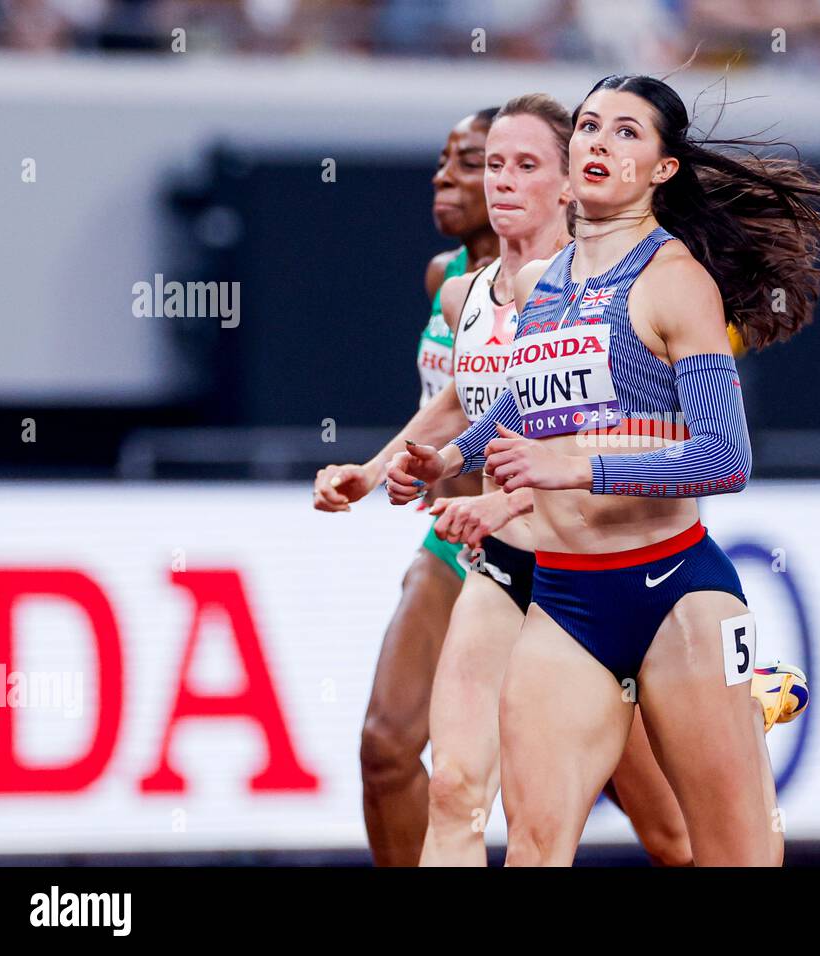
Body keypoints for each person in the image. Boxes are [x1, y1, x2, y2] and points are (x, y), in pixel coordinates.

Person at [396, 75, 820, 864]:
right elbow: (531, 404)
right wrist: (456, 459)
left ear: (663, 168)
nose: (598, 141)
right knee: (532, 846)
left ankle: (740, 700)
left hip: (674, 596)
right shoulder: (540, 283)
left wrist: (575, 469)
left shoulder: (674, 283)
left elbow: (724, 459)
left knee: (728, 853)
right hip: (562, 599)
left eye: (626, 133)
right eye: (590, 126)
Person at [311, 108, 499, 866]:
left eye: (469, 161)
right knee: (387, 748)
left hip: (557, 551)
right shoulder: (445, 278)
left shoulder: (568, 286)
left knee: (669, 830)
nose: (442, 175)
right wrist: (372, 469)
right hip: (457, 546)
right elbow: (450, 399)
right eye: (445, 158)